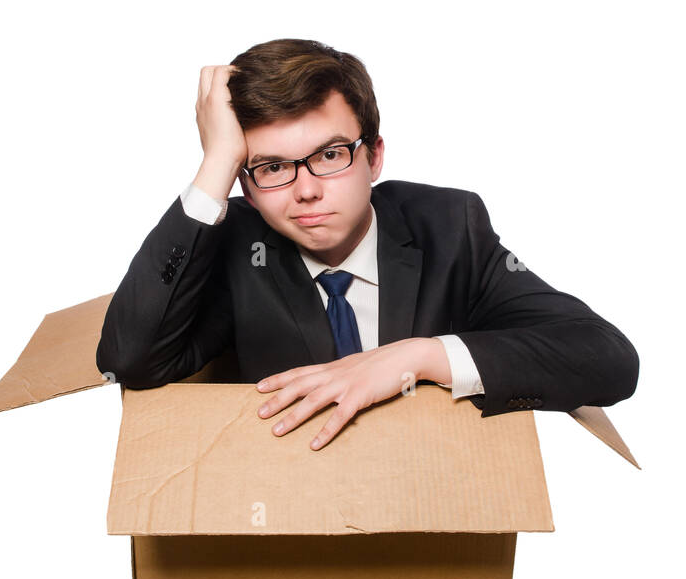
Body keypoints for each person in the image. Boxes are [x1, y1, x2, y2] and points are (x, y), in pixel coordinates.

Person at [96, 39, 638, 450]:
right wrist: (216, 164)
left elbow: (607, 358)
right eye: (272, 167)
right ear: (245, 184)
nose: (306, 190)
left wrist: (420, 356)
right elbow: (129, 360)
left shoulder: (451, 228)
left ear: (374, 156)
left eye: (331, 155)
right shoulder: (235, 245)